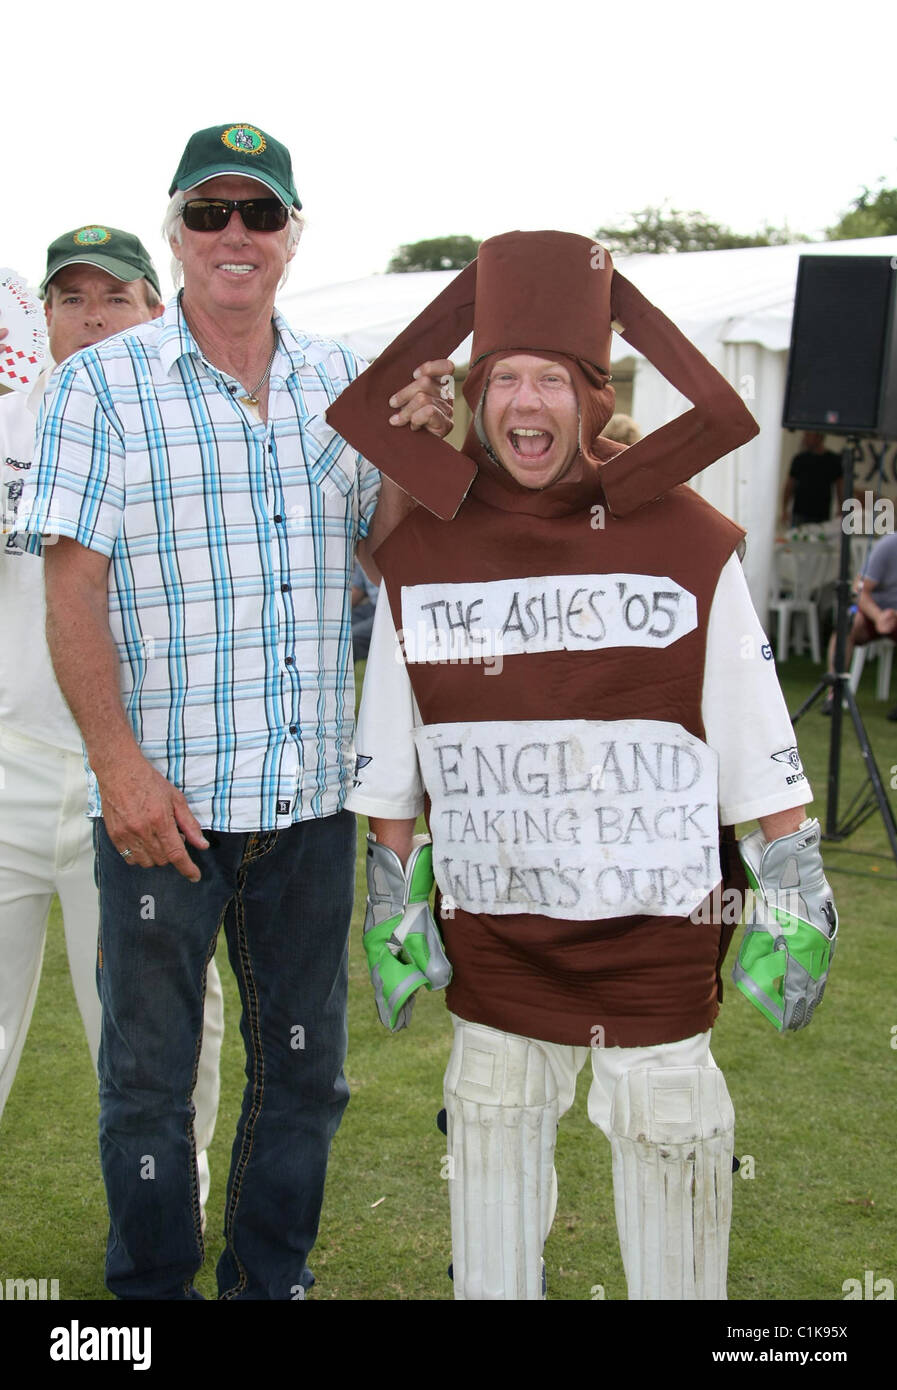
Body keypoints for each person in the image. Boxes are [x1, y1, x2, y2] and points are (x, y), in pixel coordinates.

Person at [330, 230, 838, 1300]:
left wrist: (792, 877)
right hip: (498, 940)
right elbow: (397, 736)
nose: (527, 402)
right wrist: (392, 889)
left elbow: (749, 719)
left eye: (552, 379)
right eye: (504, 377)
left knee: (673, 1147)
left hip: (654, 941)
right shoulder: (426, 552)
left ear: (594, 396)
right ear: (476, 397)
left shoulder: (682, 538)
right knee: (491, 1144)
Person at [18, 123, 452, 1301]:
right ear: (176, 235)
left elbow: (388, 557)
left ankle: (272, 1280)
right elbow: (72, 593)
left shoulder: (345, 383)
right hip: (164, 807)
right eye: (208, 214)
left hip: (309, 803)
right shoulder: (101, 385)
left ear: (293, 236)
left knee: (304, 1076)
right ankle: (152, 1292)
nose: (234, 235)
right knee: (149, 1083)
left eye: (258, 212)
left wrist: (417, 459)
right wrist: (119, 770)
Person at [0, 227, 223, 1216]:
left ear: (154, 309)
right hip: (11, 760)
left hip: (140, 771)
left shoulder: (193, 425)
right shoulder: (9, 424)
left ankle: (175, 1203)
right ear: (44, 314)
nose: (92, 319)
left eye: (116, 298)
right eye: (72, 298)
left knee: (154, 1013)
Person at [822, 529, 897, 717]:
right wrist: (878, 616)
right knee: (847, 624)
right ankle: (834, 693)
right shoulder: (889, 545)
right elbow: (859, 589)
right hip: (876, 611)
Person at [782, 431, 843, 527]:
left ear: (819, 437)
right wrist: (784, 509)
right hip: (799, 513)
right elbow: (789, 485)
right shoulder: (799, 459)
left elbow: (840, 487)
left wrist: (841, 509)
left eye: (808, 435)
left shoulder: (833, 460)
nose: (805, 439)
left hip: (821, 514)